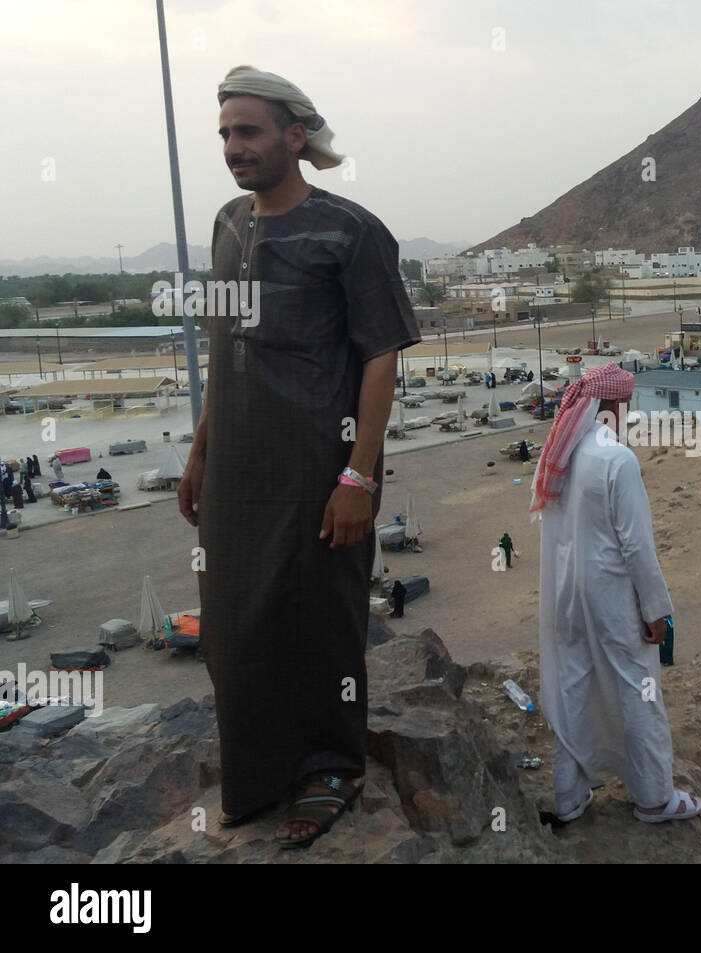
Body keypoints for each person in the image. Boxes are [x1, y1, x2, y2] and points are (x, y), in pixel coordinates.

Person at [177, 66, 421, 849]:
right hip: (237, 471)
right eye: (224, 134)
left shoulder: (350, 231)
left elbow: (381, 355)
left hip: (323, 465)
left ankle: (330, 768)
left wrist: (359, 475)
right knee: (233, 625)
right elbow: (224, 350)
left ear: (293, 134)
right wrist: (201, 448)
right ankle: (259, 773)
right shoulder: (225, 224)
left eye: (247, 131)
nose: (232, 147)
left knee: (320, 620)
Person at [530, 362, 701, 825]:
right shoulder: (616, 459)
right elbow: (637, 546)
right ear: (612, 404)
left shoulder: (561, 454)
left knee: (574, 687)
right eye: (629, 401)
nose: (632, 410)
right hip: (610, 598)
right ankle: (653, 798)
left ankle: (568, 797)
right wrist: (657, 611)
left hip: (565, 597)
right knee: (638, 690)